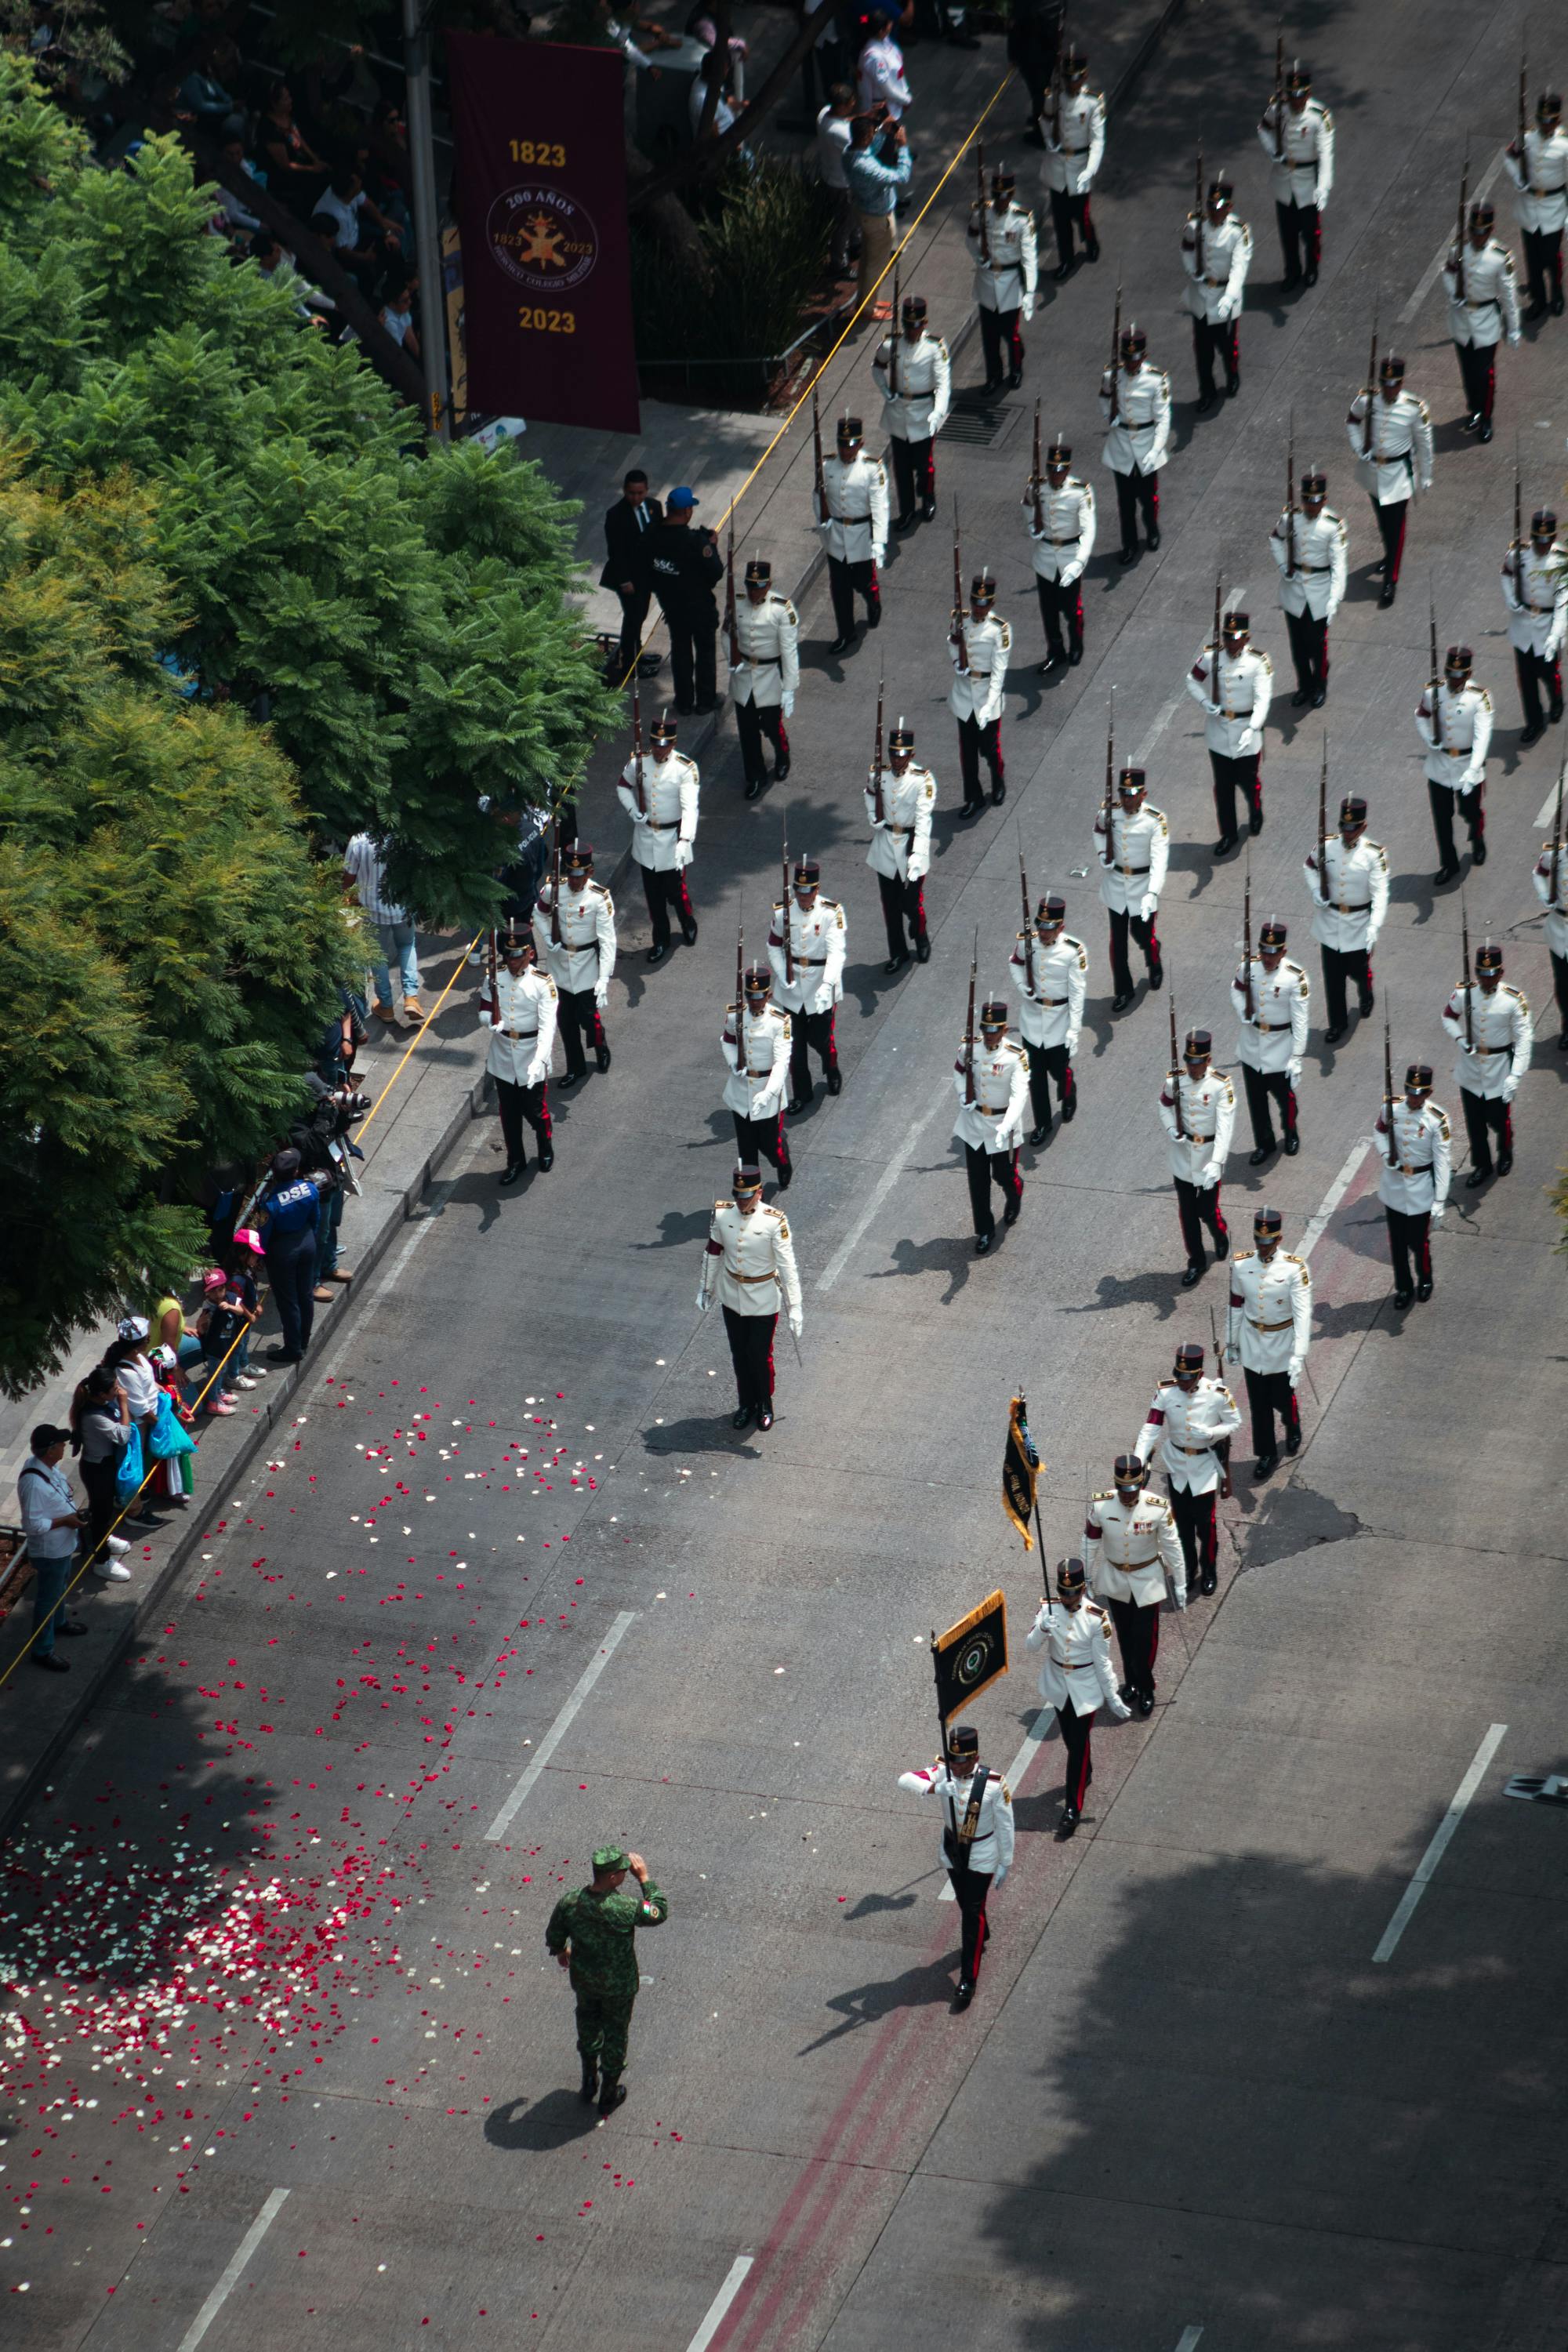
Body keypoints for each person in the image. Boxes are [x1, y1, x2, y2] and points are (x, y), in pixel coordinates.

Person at [545, 1845, 669, 2116]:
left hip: (585, 1982)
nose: (627, 1872)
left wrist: (563, 1952)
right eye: (623, 1871)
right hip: (618, 1986)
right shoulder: (624, 1907)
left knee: (588, 2026)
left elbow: (554, 1936)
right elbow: (658, 1912)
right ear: (612, 1877)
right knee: (615, 2034)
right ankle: (609, 2094)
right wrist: (645, 1879)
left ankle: (589, 2081)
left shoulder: (570, 1902)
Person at [897, 1723, 1014, 2002]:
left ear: (975, 1758)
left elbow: (1006, 1825)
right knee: (967, 1904)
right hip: (952, 1850)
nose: (956, 1767)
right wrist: (936, 1788)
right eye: (952, 1760)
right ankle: (981, 1929)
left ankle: (967, 1979)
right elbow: (904, 1779)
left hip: (983, 1853)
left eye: (962, 1762)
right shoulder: (944, 1772)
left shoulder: (995, 1785)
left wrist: (1004, 1863)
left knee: (970, 1915)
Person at [696, 1162, 803, 1433]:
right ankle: (746, 1404)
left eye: (746, 1197)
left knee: (759, 1354)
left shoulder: (774, 1221)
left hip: (763, 1297)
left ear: (758, 1193)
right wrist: (706, 1289)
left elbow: (787, 1265)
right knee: (739, 1354)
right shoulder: (722, 1215)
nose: (740, 1203)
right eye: (737, 1197)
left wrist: (795, 1306)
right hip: (731, 1294)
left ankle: (765, 1404)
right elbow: (713, 1253)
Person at [1025, 1560, 1130, 1836]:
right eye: (1063, 1593)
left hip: (1085, 1687)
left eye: (1072, 1594)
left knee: (1078, 1746)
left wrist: (1112, 1696)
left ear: (1082, 1590)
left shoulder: (1097, 1618)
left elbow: (1103, 1662)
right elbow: (1029, 1646)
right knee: (1073, 1741)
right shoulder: (1048, 1609)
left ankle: (1072, 1808)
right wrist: (1042, 1628)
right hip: (1059, 1685)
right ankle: (1087, 1771)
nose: (1067, 1598)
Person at [1135, 1341, 1242, 1598]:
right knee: (1182, 1525)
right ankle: (1188, 1568)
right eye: (1179, 1377)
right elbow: (1151, 1427)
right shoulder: (1166, 1393)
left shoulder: (1217, 1394)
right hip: (1177, 1465)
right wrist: (1139, 1460)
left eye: (1188, 1378)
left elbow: (1235, 1421)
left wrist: (1212, 1433)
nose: (1182, 1383)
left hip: (1204, 1466)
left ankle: (1209, 1570)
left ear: (1199, 1374)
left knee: (1206, 1525)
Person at [1085, 1459, 1185, 1717]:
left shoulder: (1157, 1508)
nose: (1128, 1495)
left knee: (1145, 1639)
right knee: (1126, 1637)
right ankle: (1131, 1682)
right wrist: (1086, 1578)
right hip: (1116, 1580)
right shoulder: (1101, 1505)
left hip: (1147, 1581)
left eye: (1132, 1490)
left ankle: (1146, 1687)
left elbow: (1173, 1546)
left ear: (1140, 1485)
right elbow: (1090, 1542)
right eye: (1123, 1490)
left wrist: (1181, 1581)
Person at [1225, 1206, 1312, 1477]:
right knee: (1258, 1404)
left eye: (1269, 1242)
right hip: (1253, 1342)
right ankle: (1266, 1453)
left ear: (1279, 1239)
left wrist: (1299, 1355)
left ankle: (1292, 1423)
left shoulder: (1295, 1269)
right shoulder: (1241, 1265)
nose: (1263, 1248)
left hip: (1282, 1343)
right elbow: (1236, 1305)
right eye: (1259, 1242)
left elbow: (1303, 1314)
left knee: (1282, 1398)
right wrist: (1231, 1342)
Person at [1441, 941, 1533, 1186]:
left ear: (1501, 973)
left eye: (1492, 975)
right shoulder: (1464, 993)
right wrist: (1460, 1038)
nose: (1487, 980)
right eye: (1482, 975)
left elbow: (1524, 1039)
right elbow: (1448, 1016)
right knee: (1475, 1125)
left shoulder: (1513, 999)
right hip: (1471, 1070)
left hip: (1499, 1068)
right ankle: (1482, 1165)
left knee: (1499, 1121)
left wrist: (1516, 1075)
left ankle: (1505, 1151)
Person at [1346, 352, 1432, 608]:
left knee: (1396, 529)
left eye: (1394, 384)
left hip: (1398, 476)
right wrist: (1359, 447)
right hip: (1373, 472)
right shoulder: (1368, 400)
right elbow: (1351, 420)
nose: (1389, 388)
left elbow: (1424, 444)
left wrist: (1426, 474)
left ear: (1402, 383)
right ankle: (1388, 555)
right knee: (1383, 522)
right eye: (1386, 383)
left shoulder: (1414, 408)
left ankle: (1390, 581)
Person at [1185, 607, 1273, 855]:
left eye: (1236, 639)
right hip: (1219, 732)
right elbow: (1191, 680)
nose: (1231, 643)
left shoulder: (1258, 662)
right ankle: (1229, 834)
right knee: (1222, 789)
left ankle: (1255, 810)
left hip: (1247, 730)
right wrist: (1205, 703)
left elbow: (1263, 699)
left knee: (1249, 782)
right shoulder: (1212, 657)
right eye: (1227, 637)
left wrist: (1253, 727)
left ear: (1247, 638)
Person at [1304, 792, 1387, 1044]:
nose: (1348, 832)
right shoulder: (1326, 845)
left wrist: (1374, 926)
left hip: (1359, 923)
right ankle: (1337, 1023)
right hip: (1330, 922)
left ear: (1363, 827)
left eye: (1353, 828)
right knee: (1333, 977)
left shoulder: (1374, 854)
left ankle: (1366, 989)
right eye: (1344, 827)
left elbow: (1381, 892)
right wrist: (1316, 890)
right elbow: (1309, 866)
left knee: (1357, 970)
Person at [617, 711, 699, 964]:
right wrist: (633, 811)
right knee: (653, 897)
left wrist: (686, 840)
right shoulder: (638, 762)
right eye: (654, 744)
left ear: (673, 744)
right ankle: (661, 939)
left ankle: (687, 919)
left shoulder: (685, 768)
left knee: (676, 892)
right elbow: (623, 786)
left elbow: (689, 808)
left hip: (672, 838)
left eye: (664, 746)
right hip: (645, 836)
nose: (658, 750)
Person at [533, 842, 615, 1086]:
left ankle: (600, 1043)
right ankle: (576, 1067)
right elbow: (539, 912)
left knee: (589, 1019)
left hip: (587, 966)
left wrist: (604, 979)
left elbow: (608, 940)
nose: (573, 880)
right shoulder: (554, 889)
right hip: (559, 967)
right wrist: (548, 936)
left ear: (589, 872)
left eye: (579, 875)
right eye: (570, 874)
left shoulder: (599, 898)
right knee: (566, 1022)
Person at [479, 932, 557, 1185]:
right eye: (508, 956)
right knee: (509, 1113)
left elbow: (548, 1028)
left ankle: (545, 1145)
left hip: (530, 1052)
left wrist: (539, 1060)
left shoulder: (543, 983)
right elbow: (483, 1008)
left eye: (518, 956)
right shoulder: (494, 976)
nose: (512, 962)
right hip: (502, 1054)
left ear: (530, 954)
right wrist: (490, 1022)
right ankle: (515, 1160)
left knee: (535, 1111)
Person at [1160, 1026, 1236, 1287]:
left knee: (1206, 1210)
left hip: (1208, 1156)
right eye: (1189, 1062)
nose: (1193, 1068)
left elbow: (1225, 1127)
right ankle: (1197, 1261)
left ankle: (1220, 1232)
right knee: (1188, 1215)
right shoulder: (1174, 1081)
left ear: (1208, 1060)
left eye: (1198, 1063)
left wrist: (1217, 1162)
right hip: (1183, 1157)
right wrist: (1171, 1129)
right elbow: (1165, 1105)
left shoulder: (1220, 1086)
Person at [953, 994, 1029, 1254]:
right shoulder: (969, 1048)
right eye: (985, 1030)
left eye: (994, 1031)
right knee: (978, 1181)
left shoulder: (1016, 1057)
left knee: (1003, 1175)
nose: (989, 1036)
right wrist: (963, 1095)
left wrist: (1007, 1125)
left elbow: (1019, 1095)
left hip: (1002, 1125)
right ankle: (985, 1230)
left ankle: (1015, 1193)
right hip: (974, 1125)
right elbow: (959, 1070)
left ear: (1004, 1030)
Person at [769, 858, 846, 1109]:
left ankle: (831, 1066)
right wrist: (782, 975)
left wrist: (826, 985)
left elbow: (836, 953)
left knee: (820, 1039)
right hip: (791, 989)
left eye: (808, 891)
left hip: (820, 987)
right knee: (794, 1046)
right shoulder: (783, 912)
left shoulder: (831, 912)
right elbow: (774, 946)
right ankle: (802, 1094)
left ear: (817, 889)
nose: (803, 897)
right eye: (798, 891)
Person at [1230, 918, 1308, 1161]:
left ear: (1283, 952)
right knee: (1257, 1101)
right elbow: (1236, 988)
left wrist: (1297, 1056)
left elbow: (1301, 1019)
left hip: (1280, 1046)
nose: (1267, 958)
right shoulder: (1248, 967)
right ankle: (1264, 1143)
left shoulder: (1295, 978)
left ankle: (1290, 1131)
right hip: (1252, 1044)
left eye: (1273, 953)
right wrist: (1242, 1010)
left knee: (1286, 1100)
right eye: (1264, 951)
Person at [1010, 892, 1085, 1142]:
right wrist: (1023, 986)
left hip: (1059, 1022)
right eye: (1041, 927)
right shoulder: (1026, 943)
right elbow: (1015, 963)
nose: (1043, 933)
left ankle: (1069, 1093)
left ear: (1061, 927)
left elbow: (1077, 994)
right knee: (1035, 1078)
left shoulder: (1073, 952)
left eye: (1049, 928)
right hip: (1032, 1022)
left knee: (1059, 1072)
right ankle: (1042, 1124)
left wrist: (1074, 1031)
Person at [640, 486, 722, 714]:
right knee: (705, 652)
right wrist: (712, 547)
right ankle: (706, 701)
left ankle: (684, 702)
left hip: (672, 605)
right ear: (687, 511)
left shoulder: (653, 535)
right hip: (699, 606)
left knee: (680, 652)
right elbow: (715, 572)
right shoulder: (696, 542)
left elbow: (648, 567)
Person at [1443, 200, 1520, 443]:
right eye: (1474, 232)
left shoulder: (1501, 257)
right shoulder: (1458, 249)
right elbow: (1448, 272)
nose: (1477, 238)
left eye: (1482, 232)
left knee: (1484, 374)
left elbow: (1508, 295)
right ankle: (1475, 409)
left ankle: (1486, 417)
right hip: (1461, 320)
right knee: (1468, 372)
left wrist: (1514, 327)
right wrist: (1454, 294)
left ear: (1491, 230)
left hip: (1486, 321)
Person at [873, 294, 951, 532]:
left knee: (924, 464)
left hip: (923, 413)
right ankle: (906, 511)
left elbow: (943, 383)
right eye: (909, 327)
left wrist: (938, 412)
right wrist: (886, 391)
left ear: (924, 324)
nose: (913, 332)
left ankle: (928, 495)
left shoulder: (935, 347)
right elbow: (876, 366)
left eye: (917, 327)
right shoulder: (891, 344)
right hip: (898, 414)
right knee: (901, 467)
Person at [1375, 1062, 1451, 1305]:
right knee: (1397, 1243)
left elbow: (1442, 1163)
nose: (1413, 1099)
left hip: (1421, 1188)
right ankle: (1404, 1288)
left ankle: (1425, 1278)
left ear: (1429, 1093)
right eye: (1410, 1092)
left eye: (1419, 1095)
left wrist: (1440, 1200)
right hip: (1394, 1186)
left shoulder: (1437, 1120)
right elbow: (1378, 1131)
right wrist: (1387, 1155)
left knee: (1419, 1243)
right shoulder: (1391, 1108)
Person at [17, 1428, 91, 1672]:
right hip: (50, 1552)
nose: (64, 1447)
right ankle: (42, 1649)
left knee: (59, 1588)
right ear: (50, 1451)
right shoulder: (33, 1484)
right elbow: (33, 1525)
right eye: (61, 1444)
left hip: (63, 1546)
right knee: (47, 1600)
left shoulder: (43, 1467)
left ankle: (58, 1623)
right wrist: (66, 1521)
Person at [1417, 644, 1493, 882]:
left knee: (1470, 811)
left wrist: (1473, 770)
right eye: (1450, 674)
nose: (1454, 680)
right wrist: (1429, 738)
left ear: (1468, 674)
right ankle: (1449, 864)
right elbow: (1420, 715)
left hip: (1467, 764)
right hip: (1439, 766)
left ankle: (1477, 836)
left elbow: (1483, 736)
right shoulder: (1433, 693)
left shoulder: (1479, 697)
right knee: (1442, 818)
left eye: (1459, 676)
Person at [1272, 467, 1346, 709]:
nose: (1311, 506)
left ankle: (1319, 684)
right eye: (1307, 501)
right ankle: (1304, 686)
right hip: (1294, 591)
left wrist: (1334, 601)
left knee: (1317, 646)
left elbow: (1339, 567)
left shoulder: (1333, 526)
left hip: (1319, 592)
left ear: (1324, 499)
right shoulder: (1290, 518)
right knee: (1298, 647)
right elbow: (1275, 538)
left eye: (1316, 501)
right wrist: (1283, 565)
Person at [815, 412, 889, 655]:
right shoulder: (827, 465)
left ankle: (873, 599)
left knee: (862, 582)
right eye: (842, 445)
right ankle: (846, 633)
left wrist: (879, 542)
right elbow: (818, 496)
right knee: (839, 588)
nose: (846, 451)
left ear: (860, 443)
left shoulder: (872, 469)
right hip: (836, 537)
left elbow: (880, 507)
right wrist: (821, 521)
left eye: (850, 446)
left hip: (861, 536)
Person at [866, 717, 935, 972]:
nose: (896, 760)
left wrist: (918, 855)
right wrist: (873, 817)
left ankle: (921, 932)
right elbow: (870, 797)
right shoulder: (878, 774)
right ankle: (898, 952)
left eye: (901, 755)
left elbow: (924, 819)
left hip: (911, 842)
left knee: (911, 902)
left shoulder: (922, 780)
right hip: (885, 844)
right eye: (893, 754)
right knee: (890, 906)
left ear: (911, 754)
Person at [1096, 764, 1167, 1009]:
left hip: (1142, 887)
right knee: (1117, 943)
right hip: (1116, 885)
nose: (1127, 799)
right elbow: (1098, 830)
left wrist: (1152, 892)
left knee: (1142, 934)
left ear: (1143, 794)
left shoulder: (1155, 821)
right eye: (1123, 794)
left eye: (1132, 794)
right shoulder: (1110, 812)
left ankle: (1154, 956)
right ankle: (1124, 990)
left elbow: (1160, 861)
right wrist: (1102, 854)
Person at [1258, 60, 1333, 287]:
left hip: (1308, 180)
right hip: (1283, 180)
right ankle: (1292, 271)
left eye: (1301, 95)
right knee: (1288, 233)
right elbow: (1263, 128)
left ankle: (1311, 268)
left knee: (1311, 234)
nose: (1296, 100)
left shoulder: (1320, 116)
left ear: (1308, 94)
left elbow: (1326, 153)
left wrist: (1323, 187)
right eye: (1292, 95)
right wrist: (1274, 152)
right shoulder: (1278, 109)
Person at [728, 557, 798, 800]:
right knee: (747, 732)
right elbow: (726, 634)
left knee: (770, 726)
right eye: (749, 586)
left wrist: (789, 689)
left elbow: (789, 651)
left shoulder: (781, 608)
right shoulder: (737, 604)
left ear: (768, 585)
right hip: (744, 675)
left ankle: (782, 752)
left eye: (758, 587)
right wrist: (732, 660)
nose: (753, 592)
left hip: (770, 676)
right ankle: (755, 776)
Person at [1023, 434, 1095, 672]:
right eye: (1052, 470)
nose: (1055, 475)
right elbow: (1028, 510)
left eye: (1060, 471)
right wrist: (1032, 526)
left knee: (1072, 609)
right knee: (1049, 611)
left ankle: (1076, 644)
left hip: (1069, 557)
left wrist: (1079, 563)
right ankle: (1056, 652)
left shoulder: (1080, 491)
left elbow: (1088, 530)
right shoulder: (1037, 487)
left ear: (1068, 470)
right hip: (1045, 558)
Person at [1099, 321, 1171, 563]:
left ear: (1144, 357)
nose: (1131, 364)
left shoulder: (1156, 380)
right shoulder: (1111, 375)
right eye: (1128, 359)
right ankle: (1128, 544)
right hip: (1121, 446)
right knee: (1126, 503)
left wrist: (1156, 449)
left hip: (1146, 444)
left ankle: (1152, 529)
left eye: (1136, 359)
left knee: (1148, 500)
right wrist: (1110, 416)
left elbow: (1163, 418)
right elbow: (1104, 399)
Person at [1182, 176, 1251, 412]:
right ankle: (1207, 391)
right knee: (1202, 351)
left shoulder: (1238, 232)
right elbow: (1188, 249)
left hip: (1224, 297)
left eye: (1219, 207)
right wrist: (1194, 272)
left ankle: (1232, 373)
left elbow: (1239, 268)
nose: (1214, 211)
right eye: (1211, 206)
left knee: (1227, 346)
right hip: (1201, 296)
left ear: (1229, 207)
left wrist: (1229, 297)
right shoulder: (1195, 224)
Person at [721, 964, 793, 1191]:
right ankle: (751, 1192)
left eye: (759, 997)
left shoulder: (780, 1022)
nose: (754, 1002)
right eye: (750, 997)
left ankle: (782, 1163)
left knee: (770, 1145)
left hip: (768, 1089)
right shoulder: (736, 1015)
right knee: (746, 1147)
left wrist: (768, 1094)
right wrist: (733, 1062)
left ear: (769, 996)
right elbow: (728, 1040)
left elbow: (781, 1064)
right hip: (741, 1091)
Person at [967, 165, 1037, 394]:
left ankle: (1015, 368)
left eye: (1005, 198)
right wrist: (980, 259)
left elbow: (1029, 259)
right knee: (989, 336)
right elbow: (970, 240)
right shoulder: (981, 212)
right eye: (997, 197)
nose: (1001, 202)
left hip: (1010, 283)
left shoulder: (1021, 220)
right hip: (987, 281)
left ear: (1012, 195)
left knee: (1010, 333)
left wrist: (1029, 294)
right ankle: (993, 376)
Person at [343, 831, 423, 1024]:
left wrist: (345, 899)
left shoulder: (359, 841)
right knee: (407, 946)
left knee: (378, 955)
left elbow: (349, 876)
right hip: (402, 907)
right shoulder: (406, 837)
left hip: (372, 909)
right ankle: (411, 996)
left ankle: (386, 1006)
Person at [1501, 506, 1566, 745]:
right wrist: (1510, 598)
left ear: (1553, 539)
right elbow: (1506, 574)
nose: (1542, 547)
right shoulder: (1518, 554)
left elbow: (1562, 603)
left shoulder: (1562, 561)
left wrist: (1555, 636)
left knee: (1548, 673)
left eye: (1546, 542)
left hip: (1548, 626)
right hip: (1522, 625)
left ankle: (1557, 696)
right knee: (1526, 679)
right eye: (1538, 542)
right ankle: (1534, 722)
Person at [1040, 47, 1104, 278]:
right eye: (1068, 79)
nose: (1071, 84)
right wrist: (1049, 140)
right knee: (1060, 219)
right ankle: (1065, 259)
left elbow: (1098, 141)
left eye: (1076, 79)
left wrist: (1091, 169)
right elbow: (1045, 120)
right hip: (1057, 166)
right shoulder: (1054, 97)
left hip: (1079, 166)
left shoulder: (1093, 104)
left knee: (1081, 216)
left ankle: (1091, 239)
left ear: (1084, 77)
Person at [950, 571, 1011, 815]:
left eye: (983, 605)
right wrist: (957, 663)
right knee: (967, 752)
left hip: (987, 696)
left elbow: (999, 671)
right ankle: (973, 797)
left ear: (992, 603)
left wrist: (989, 705)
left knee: (990, 748)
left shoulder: (1000, 630)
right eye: (975, 603)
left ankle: (998, 779)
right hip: (964, 696)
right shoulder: (959, 619)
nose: (978, 609)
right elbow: (952, 643)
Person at [1505, 89, 1568, 322]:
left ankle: (1557, 292)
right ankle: (1539, 300)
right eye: (1541, 120)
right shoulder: (1527, 138)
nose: (1545, 126)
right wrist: (1518, 178)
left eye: (1549, 121)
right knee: (1532, 257)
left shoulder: (1564, 146)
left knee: (1550, 256)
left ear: (1557, 120)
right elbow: (1509, 156)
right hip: (1529, 207)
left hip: (1554, 208)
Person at [257, 1147, 324, 1363]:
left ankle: (293, 1348)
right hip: (306, 1242)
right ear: (295, 1171)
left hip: (283, 1250)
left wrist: (262, 1257)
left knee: (288, 1301)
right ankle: (304, 1340)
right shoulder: (310, 1189)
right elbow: (316, 1219)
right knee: (305, 1295)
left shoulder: (270, 1202)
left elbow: (264, 1235)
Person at [844, 111, 911, 323]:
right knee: (877, 264)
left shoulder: (850, 152)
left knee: (867, 260)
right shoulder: (866, 167)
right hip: (876, 218)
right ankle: (868, 309)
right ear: (865, 138)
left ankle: (865, 301)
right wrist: (903, 147)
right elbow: (901, 176)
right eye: (872, 133)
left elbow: (869, 149)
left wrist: (882, 131)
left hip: (865, 212)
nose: (874, 135)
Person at [70, 1369, 136, 1579]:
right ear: (100, 1394)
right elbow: (123, 1436)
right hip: (97, 1470)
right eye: (114, 1388)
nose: (119, 1390)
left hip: (106, 1465)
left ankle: (105, 1539)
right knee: (101, 1514)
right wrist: (124, 1404)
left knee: (104, 1511)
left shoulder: (102, 1404)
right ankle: (102, 1560)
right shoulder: (93, 1416)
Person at [601, 472, 662, 686]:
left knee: (640, 615)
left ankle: (637, 653)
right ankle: (630, 666)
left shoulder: (654, 507)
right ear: (624, 490)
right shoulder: (616, 515)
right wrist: (624, 580)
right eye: (631, 493)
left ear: (646, 490)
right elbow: (616, 552)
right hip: (628, 579)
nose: (636, 498)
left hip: (646, 575)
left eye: (640, 493)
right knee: (633, 619)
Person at [816, 82, 861, 278]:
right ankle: (839, 264)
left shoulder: (824, 114)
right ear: (843, 106)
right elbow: (861, 146)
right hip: (842, 184)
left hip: (829, 176)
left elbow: (848, 122)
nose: (853, 105)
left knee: (848, 221)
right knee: (844, 224)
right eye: (851, 103)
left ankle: (855, 245)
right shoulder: (839, 133)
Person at [1531, 822, 1568, 1049]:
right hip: (1559, 929)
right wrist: (1545, 895)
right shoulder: (1555, 854)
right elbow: (1539, 873)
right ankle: (1567, 1025)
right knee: (1564, 984)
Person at [857, 9, 910, 118]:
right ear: (881, 31)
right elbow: (887, 89)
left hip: (895, 102)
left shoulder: (884, 40)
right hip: (882, 111)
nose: (892, 24)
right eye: (889, 23)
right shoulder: (874, 58)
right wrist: (906, 100)